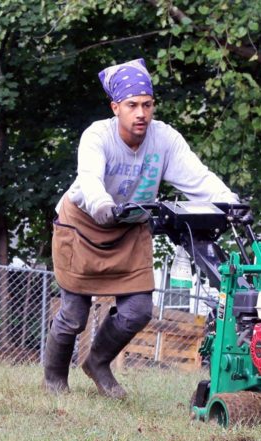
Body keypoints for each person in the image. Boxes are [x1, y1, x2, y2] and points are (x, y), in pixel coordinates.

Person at [45, 57, 239, 399]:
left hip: (130, 228)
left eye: (147, 105)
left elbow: (198, 178)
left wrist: (230, 203)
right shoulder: (97, 136)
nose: (141, 114)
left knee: (137, 311)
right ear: (115, 107)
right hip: (83, 226)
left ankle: (97, 363)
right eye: (132, 105)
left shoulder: (164, 140)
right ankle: (54, 379)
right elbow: (89, 178)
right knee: (74, 315)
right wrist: (102, 205)